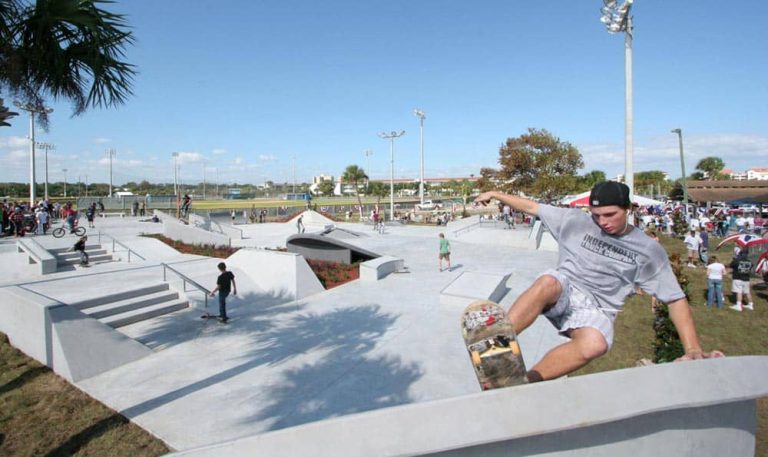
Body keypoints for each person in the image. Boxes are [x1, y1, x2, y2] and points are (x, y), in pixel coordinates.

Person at [474, 181, 723, 383]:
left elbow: (675, 299)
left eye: (610, 215)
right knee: (548, 281)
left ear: (628, 209)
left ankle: (525, 384)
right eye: (596, 216)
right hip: (565, 290)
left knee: (596, 345)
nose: (603, 222)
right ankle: (495, 345)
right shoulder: (574, 220)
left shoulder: (647, 250)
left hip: (598, 308)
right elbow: (531, 207)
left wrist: (692, 348)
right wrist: (495, 193)